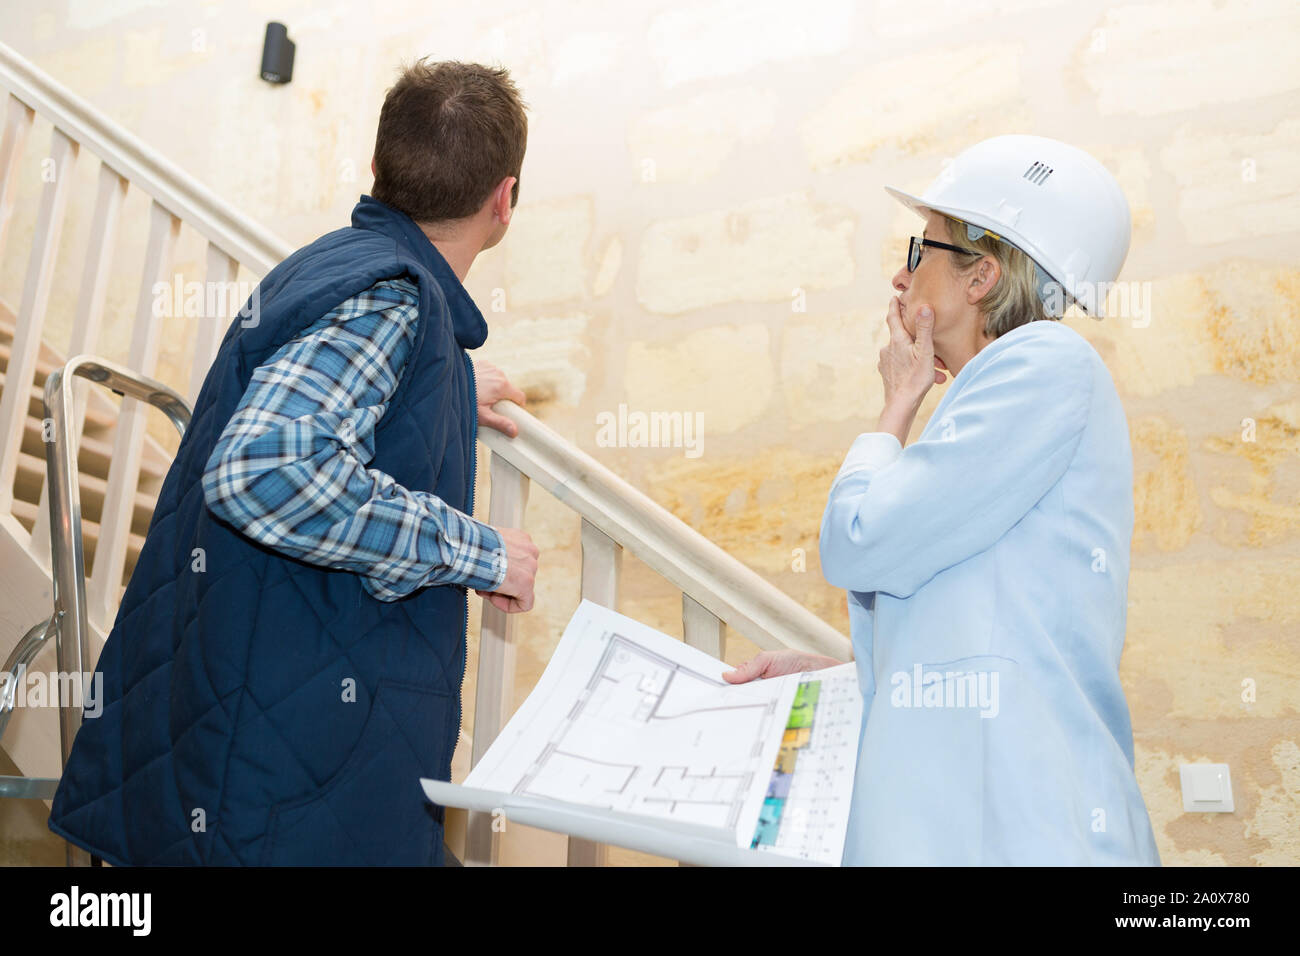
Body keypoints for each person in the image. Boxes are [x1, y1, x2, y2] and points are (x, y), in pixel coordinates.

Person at [47, 59, 539, 865]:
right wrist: (482, 551)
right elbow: (264, 472)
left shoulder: (338, 272)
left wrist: (448, 385)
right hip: (282, 781)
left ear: (378, 170)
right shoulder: (391, 297)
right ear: (504, 201)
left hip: (255, 745)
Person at [725, 135, 1161, 866]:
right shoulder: (1004, 395)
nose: (900, 276)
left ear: (982, 276)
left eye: (920, 250)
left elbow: (860, 538)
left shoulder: (1042, 363)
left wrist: (897, 402)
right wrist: (830, 673)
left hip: (1024, 825)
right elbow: (972, 627)